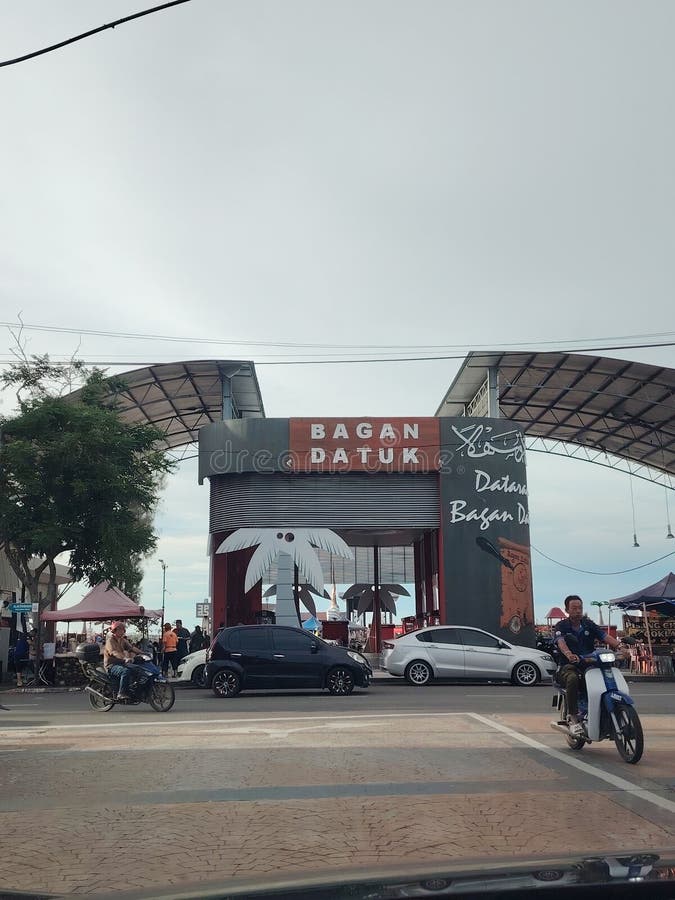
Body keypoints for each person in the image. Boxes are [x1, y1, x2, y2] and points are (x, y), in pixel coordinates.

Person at [553, 595, 627, 736]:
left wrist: (621, 647)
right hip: (568, 666)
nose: (578, 611)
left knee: (607, 676)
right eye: (574, 608)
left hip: (589, 664)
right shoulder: (561, 626)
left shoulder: (588, 624)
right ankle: (574, 718)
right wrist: (569, 654)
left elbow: (604, 636)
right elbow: (560, 641)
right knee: (573, 678)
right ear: (567, 610)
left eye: (580, 608)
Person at [104, 621, 141, 701]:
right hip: (111, 665)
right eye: (120, 629)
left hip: (121, 663)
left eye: (123, 629)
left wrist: (143, 653)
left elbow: (131, 648)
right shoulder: (110, 641)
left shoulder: (122, 640)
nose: (122, 631)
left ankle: (131, 689)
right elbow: (114, 652)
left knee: (137, 669)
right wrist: (125, 658)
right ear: (115, 630)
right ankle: (121, 693)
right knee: (125, 671)